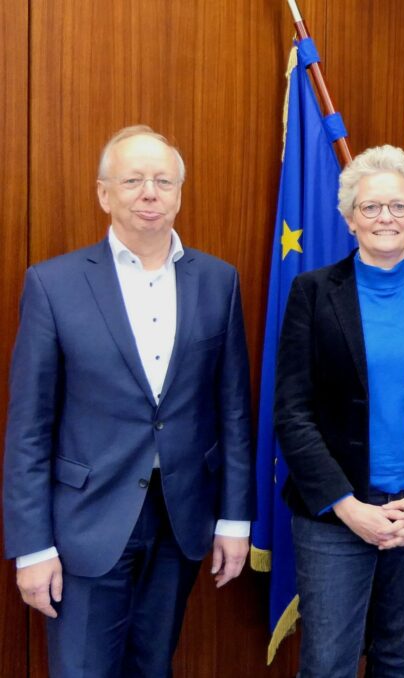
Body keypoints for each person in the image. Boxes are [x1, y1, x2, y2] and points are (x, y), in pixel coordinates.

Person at [3, 125, 254, 677]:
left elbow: (233, 410)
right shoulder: (53, 284)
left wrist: (235, 518)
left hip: (182, 518)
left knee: (153, 666)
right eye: (134, 180)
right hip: (86, 523)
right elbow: (29, 427)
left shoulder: (218, 281)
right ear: (104, 193)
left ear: (180, 193)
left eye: (163, 180)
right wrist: (31, 547)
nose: (149, 193)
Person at [274, 144, 404, 677]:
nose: (385, 218)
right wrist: (347, 506)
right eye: (370, 207)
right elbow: (292, 412)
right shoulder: (312, 293)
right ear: (348, 219)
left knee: (395, 655)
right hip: (335, 515)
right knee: (328, 665)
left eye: (399, 206)